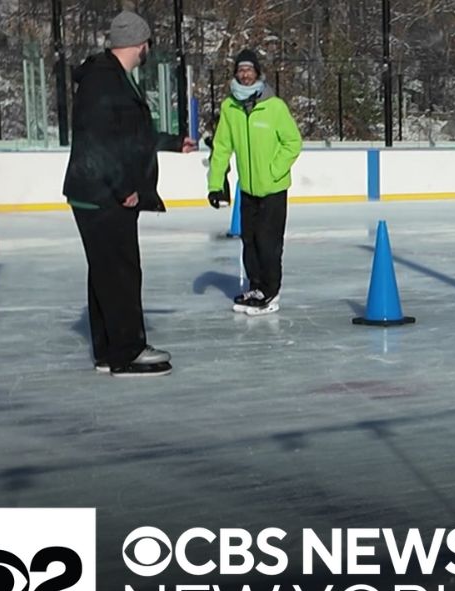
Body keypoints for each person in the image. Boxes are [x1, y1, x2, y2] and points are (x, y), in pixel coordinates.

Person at [62, 10, 195, 378]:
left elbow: (128, 133)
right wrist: (123, 187)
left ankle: (108, 350)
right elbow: (100, 141)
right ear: (141, 44)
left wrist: (171, 142)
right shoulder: (104, 82)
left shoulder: (111, 77)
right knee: (121, 271)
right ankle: (127, 351)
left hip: (97, 191)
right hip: (103, 193)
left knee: (106, 272)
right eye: (147, 42)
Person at [208, 49, 303, 316]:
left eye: (249, 69)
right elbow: (222, 147)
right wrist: (215, 184)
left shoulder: (274, 106)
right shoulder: (230, 108)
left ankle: (270, 292)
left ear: (258, 73)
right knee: (249, 241)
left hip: (273, 189)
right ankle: (256, 287)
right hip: (248, 190)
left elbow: (293, 142)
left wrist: (274, 170)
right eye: (241, 70)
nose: (245, 74)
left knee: (268, 243)